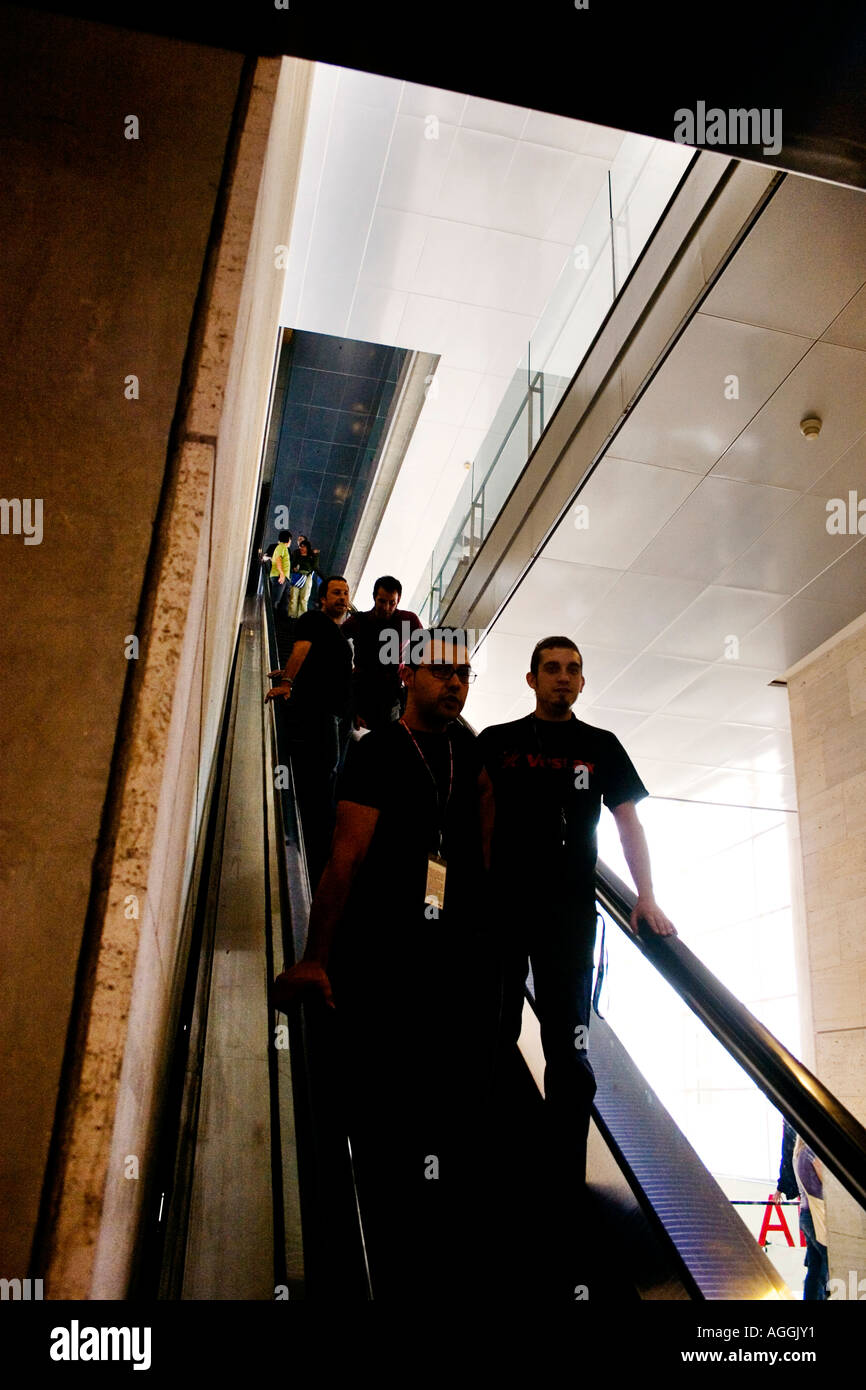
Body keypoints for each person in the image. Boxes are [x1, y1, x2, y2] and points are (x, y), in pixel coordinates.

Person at [272, 628, 497, 1297]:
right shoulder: (376, 753)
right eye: (442, 673)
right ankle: (374, 1235)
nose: (454, 685)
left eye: (464, 676)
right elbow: (344, 858)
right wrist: (316, 957)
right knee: (384, 1094)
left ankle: (432, 1243)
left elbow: (484, 830)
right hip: (380, 950)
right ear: (407, 675)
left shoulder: (469, 751)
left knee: (441, 1098)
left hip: (450, 955)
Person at [477, 637, 676, 1230]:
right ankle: (492, 1160)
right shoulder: (498, 742)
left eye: (573, 670)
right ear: (532, 678)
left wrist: (645, 897)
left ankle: (562, 1180)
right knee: (494, 1031)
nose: (563, 678)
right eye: (552, 669)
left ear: (583, 683)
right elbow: (478, 822)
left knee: (570, 1045)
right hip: (503, 907)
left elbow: (628, 823)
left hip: (568, 913)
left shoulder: (601, 747)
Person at [266, 575, 352, 888]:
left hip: (332, 718)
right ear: (322, 599)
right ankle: (312, 857)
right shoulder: (314, 619)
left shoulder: (336, 633)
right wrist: (287, 682)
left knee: (324, 780)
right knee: (321, 783)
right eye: (335, 593)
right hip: (320, 718)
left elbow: (311, 660)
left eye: (345, 593)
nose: (342, 598)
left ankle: (310, 849)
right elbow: (302, 648)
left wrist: (288, 673)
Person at [342, 575, 423, 730]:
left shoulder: (409, 620)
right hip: (361, 691)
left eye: (391, 602)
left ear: (398, 600)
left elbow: (425, 648)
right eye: (382, 601)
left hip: (390, 693)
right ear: (374, 598)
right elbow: (332, 642)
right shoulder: (358, 621)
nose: (386, 607)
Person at [793, 1134, 829, 1300]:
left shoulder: (798, 1153)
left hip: (806, 1215)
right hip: (817, 1217)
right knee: (829, 1262)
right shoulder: (811, 1152)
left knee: (815, 1266)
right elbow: (826, 1181)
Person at [288, 533, 319, 620]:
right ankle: (292, 615)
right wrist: (293, 569)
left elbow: (315, 567)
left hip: (307, 577)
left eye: (303, 546)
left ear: (307, 547)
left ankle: (302, 617)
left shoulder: (311, 556)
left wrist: (316, 556)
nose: (301, 548)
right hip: (296, 576)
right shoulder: (296, 553)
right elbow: (292, 563)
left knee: (304, 597)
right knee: (293, 596)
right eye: (300, 546)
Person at [269, 528, 293, 614]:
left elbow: (274, 559)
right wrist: (282, 574)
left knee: (284, 601)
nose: (291, 542)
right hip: (279, 577)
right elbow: (278, 559)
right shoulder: (281, 546)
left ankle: (280, 620)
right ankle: (271, 619)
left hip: (284, 578)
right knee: (275, 600)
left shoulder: (283, 548)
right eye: (290, 539)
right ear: (288, 539)